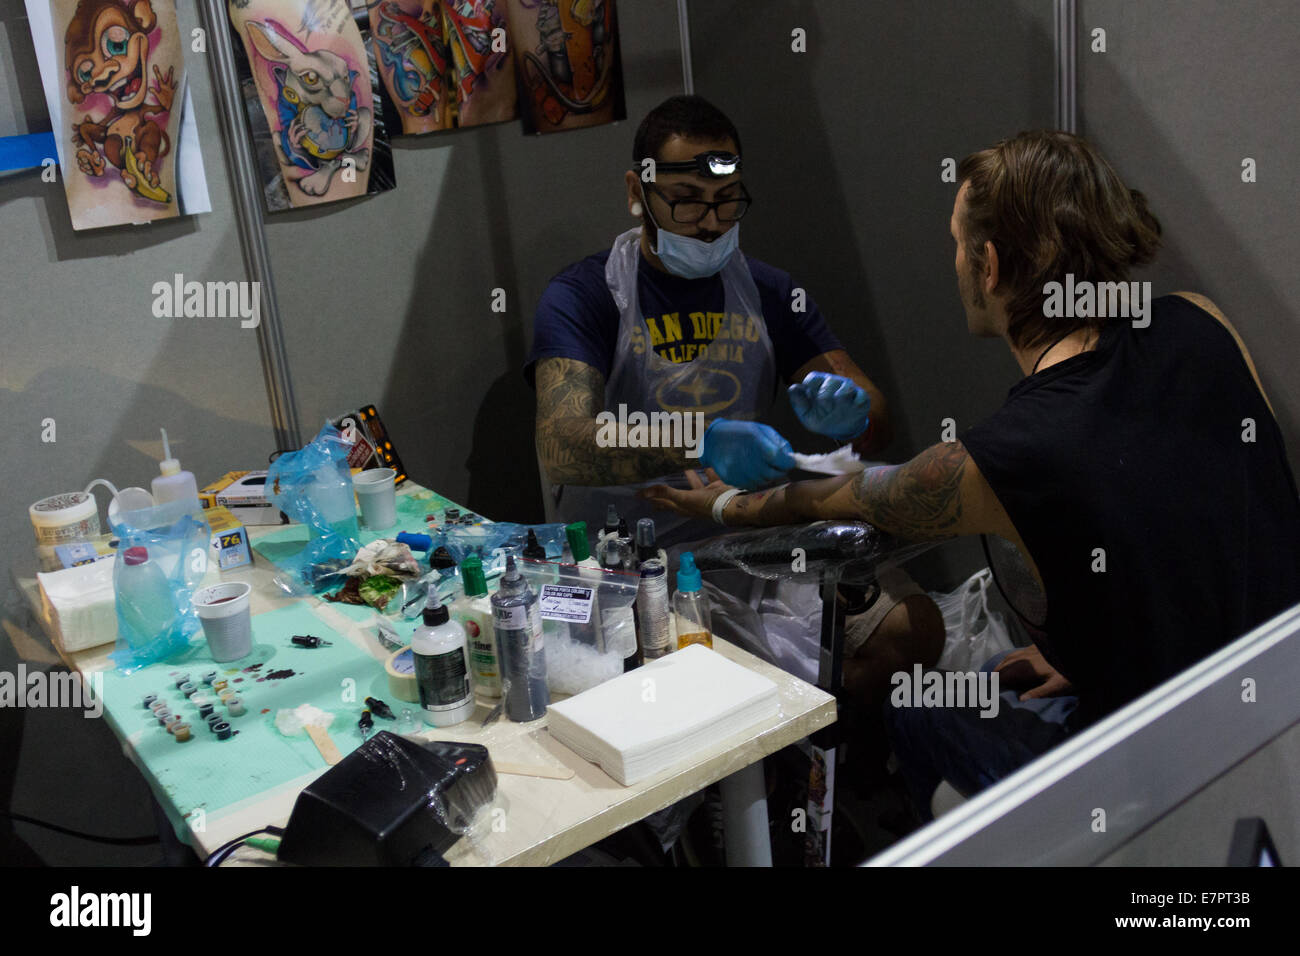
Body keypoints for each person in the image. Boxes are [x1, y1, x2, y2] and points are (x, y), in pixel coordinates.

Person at [644, 129, 1300, 817]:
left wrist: (721, 507)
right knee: (994, 678)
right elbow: (1210, 525)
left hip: (1168, 782)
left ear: (988, 265)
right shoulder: (1201, 322)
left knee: (919, 709)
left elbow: (830, 499)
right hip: (1279, 721)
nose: (955, 259)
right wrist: (1087, 651)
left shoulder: (1006, 456)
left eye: (959, 242)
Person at [525, 94, 944, 673]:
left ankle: (843, 763)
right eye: (687, 202)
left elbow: (876, 417)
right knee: (702, 690)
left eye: (727, 202)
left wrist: (854, 417)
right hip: (621, 561)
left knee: (908, 629)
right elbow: (561, 446)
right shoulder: (586, 297)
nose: (711, 224)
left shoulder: (770, 292)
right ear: (636, 193)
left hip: (746, 531)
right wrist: (699, 441)